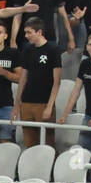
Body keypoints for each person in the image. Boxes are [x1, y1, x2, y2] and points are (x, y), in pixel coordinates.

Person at [13, 16, 61, 149]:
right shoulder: (27, 50)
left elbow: (57, 82)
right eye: (25, 32)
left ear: (39, 32)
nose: (26, 35)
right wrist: (17, 105)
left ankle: (50, 169)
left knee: (48, 143)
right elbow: (23, 78)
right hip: (27, 102)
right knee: (30, 143)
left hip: (44, 102)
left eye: (29, 32)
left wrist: (50, 106)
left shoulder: (53, 49)